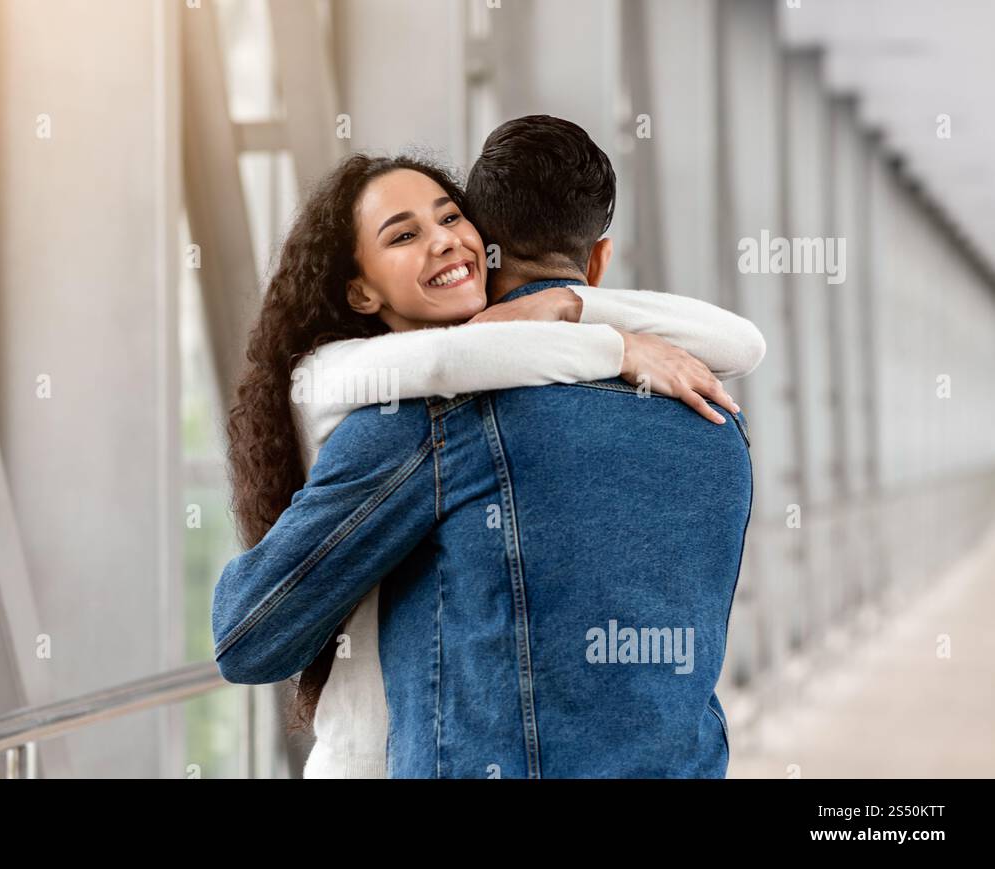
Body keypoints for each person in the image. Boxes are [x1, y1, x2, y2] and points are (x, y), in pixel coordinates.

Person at [213, 117, 763, 777]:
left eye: (449, 220)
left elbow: (248, 635)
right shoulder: (713, 414)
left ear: (484, 241)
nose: (443, 242)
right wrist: (599, 326)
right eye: (406, 234)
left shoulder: (425, 420)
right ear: (599, 260)